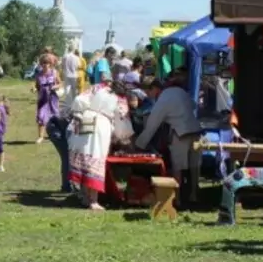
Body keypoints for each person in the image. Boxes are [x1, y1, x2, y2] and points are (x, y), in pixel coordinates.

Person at [133, 67, 202, 185]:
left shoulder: (164, 98)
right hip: (196, 132)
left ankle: (177, 198)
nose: (149, 95)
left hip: (180, 134)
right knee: (194, 167)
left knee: (178, 167)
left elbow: (151, 126)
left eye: (149, 92)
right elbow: (193, 105)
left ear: (155, 88)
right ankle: (194, 195)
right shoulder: (181, 91)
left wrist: (138, 145)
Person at [68, 80, 129, 211]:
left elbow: (79, 99)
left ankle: (84, 196)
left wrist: (81, 113)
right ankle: (93, 201)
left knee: (85, 160)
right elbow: (123, 123)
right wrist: (123, 138)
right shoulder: (120, 99)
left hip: (86, 121)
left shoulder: (97, 88)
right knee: (95, 161)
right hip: (101, 126)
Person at [34, 55, 62, 143]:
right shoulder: (39, 75)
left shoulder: (54, 72)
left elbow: (60, 84)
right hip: (43, 98)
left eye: (47, 63)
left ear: (50, 64)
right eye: (43, 63)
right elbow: (37, 86)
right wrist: (34, 89)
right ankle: (40, 137)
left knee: (55, 115)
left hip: (53, 97)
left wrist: (55, 86)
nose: (45, 65)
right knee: (41, 116)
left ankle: (58, 133)